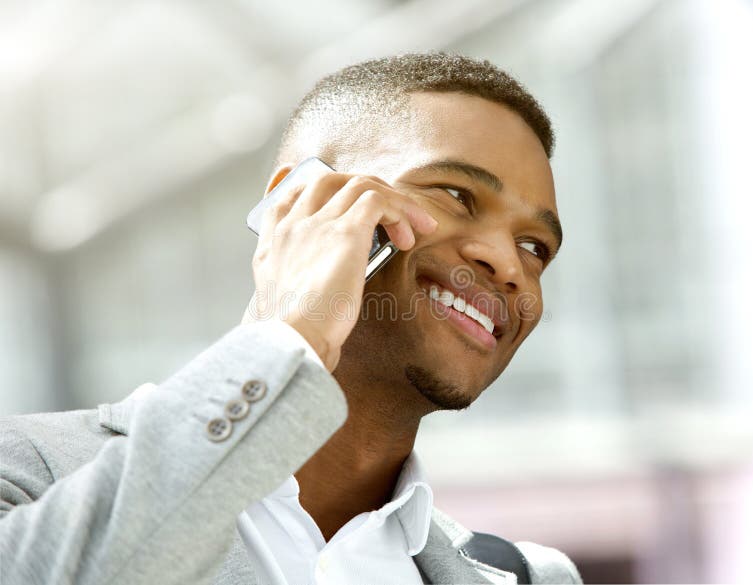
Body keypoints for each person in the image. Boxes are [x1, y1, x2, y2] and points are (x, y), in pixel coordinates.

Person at [0, 53, 581, 584]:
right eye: (455, 195)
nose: (509, 265)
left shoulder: (532, 578)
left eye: (535, 248)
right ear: (293, 206)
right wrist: (296, 335)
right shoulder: (25, 473)